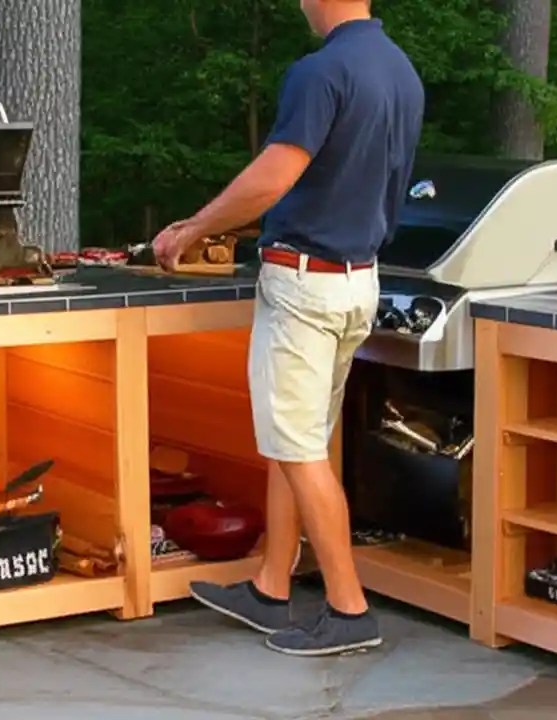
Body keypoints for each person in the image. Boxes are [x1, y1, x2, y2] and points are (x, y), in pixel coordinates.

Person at [150, 0, 424, 657]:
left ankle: (349, 610)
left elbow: (273, 177)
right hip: (359, 280)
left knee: (299, 449)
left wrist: (195, 227)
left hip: (305, 285)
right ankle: (272, 584)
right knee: (298, 438)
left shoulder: (320, 71)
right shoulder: (401, 72)